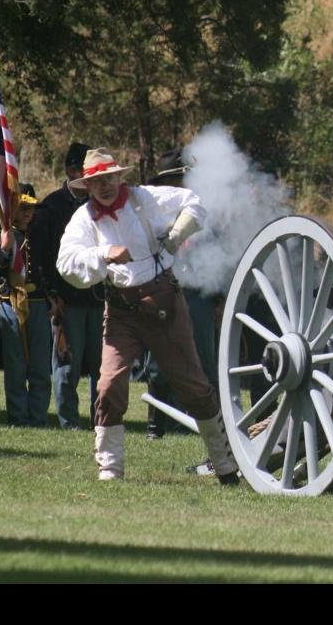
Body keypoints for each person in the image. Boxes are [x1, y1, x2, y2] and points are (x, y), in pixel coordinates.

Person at [55, 147, 238, 485]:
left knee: (194, 387)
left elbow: (195, 203)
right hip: (121, 312)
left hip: (164, 304)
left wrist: (177, 235)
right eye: (97, 182)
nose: (105, 186)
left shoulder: (146, 199)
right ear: (88, 187)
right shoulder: (83, 219)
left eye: (109, 178)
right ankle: (109, 469)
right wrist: (103, 254)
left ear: (119, 177)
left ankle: (224, 464)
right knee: (108, 385)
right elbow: (66, 264)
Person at [142, 149, 219, 443]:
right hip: (162, 289)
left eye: (183, 179)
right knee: (158, 366)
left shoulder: (201, 210)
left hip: (197, 294)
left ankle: (210, 426)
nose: (181, 185)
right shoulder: (151, 214)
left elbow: (218, 255)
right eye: (176, 179)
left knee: (205, 364)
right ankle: (156, 427)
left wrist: (218, 298)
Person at [30, 142, 104, 431]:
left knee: (102, 367)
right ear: (71, 170)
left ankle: (101, 418)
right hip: (66, 299)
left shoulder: (99, 205)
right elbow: (41, 257)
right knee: (67, 365)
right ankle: (69, 422)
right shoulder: (51, 207)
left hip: (97, 297)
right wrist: (51, 295)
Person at [0, 191, 50, 425]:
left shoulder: (39, 235)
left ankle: (38, 417)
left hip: (37, 302)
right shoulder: (4, 235)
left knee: (40, 364)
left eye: (31, 209)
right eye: (23, 208)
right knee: (16, 364)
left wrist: (53, 298)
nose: (28, 214)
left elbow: (47, 268)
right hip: (12, 302)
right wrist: (5, 249)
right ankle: (18, 416)